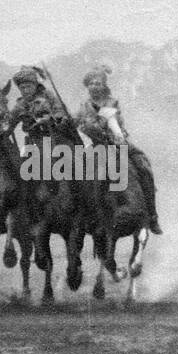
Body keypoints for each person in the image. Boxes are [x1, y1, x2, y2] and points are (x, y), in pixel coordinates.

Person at [75, 65, 162, 234]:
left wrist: (104, 129)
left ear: (104, 85)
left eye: (98, 83)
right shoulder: (83, 105)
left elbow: (114, 123)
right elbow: (74, 120)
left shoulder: (110, 102)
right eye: (91, 83)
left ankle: (152, 215)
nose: (94, 86)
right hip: (94, 148)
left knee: (143, 167)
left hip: (116, 144)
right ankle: (86, 217)